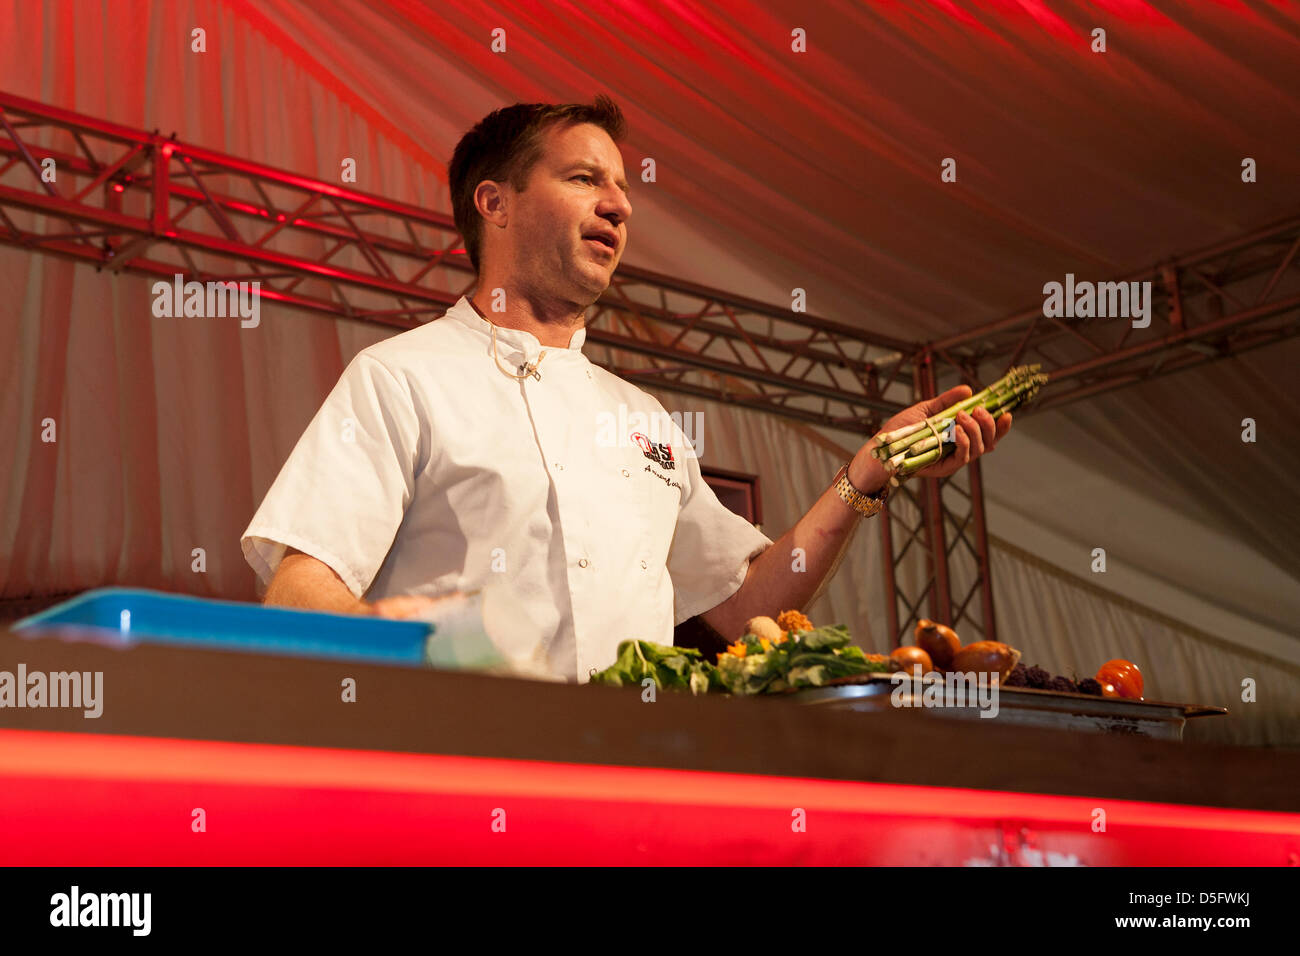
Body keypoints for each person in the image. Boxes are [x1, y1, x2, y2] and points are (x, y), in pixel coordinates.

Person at [240, 94, 1010, 681]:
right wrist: (427, 660)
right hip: (461, 777)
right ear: (494, 203)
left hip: (628, 779)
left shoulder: (642, 419)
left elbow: (745, 611)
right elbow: (302, 588)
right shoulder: (401, 378)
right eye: (584, 178)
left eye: (623, 187)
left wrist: (868, 470)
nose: (622, 204)